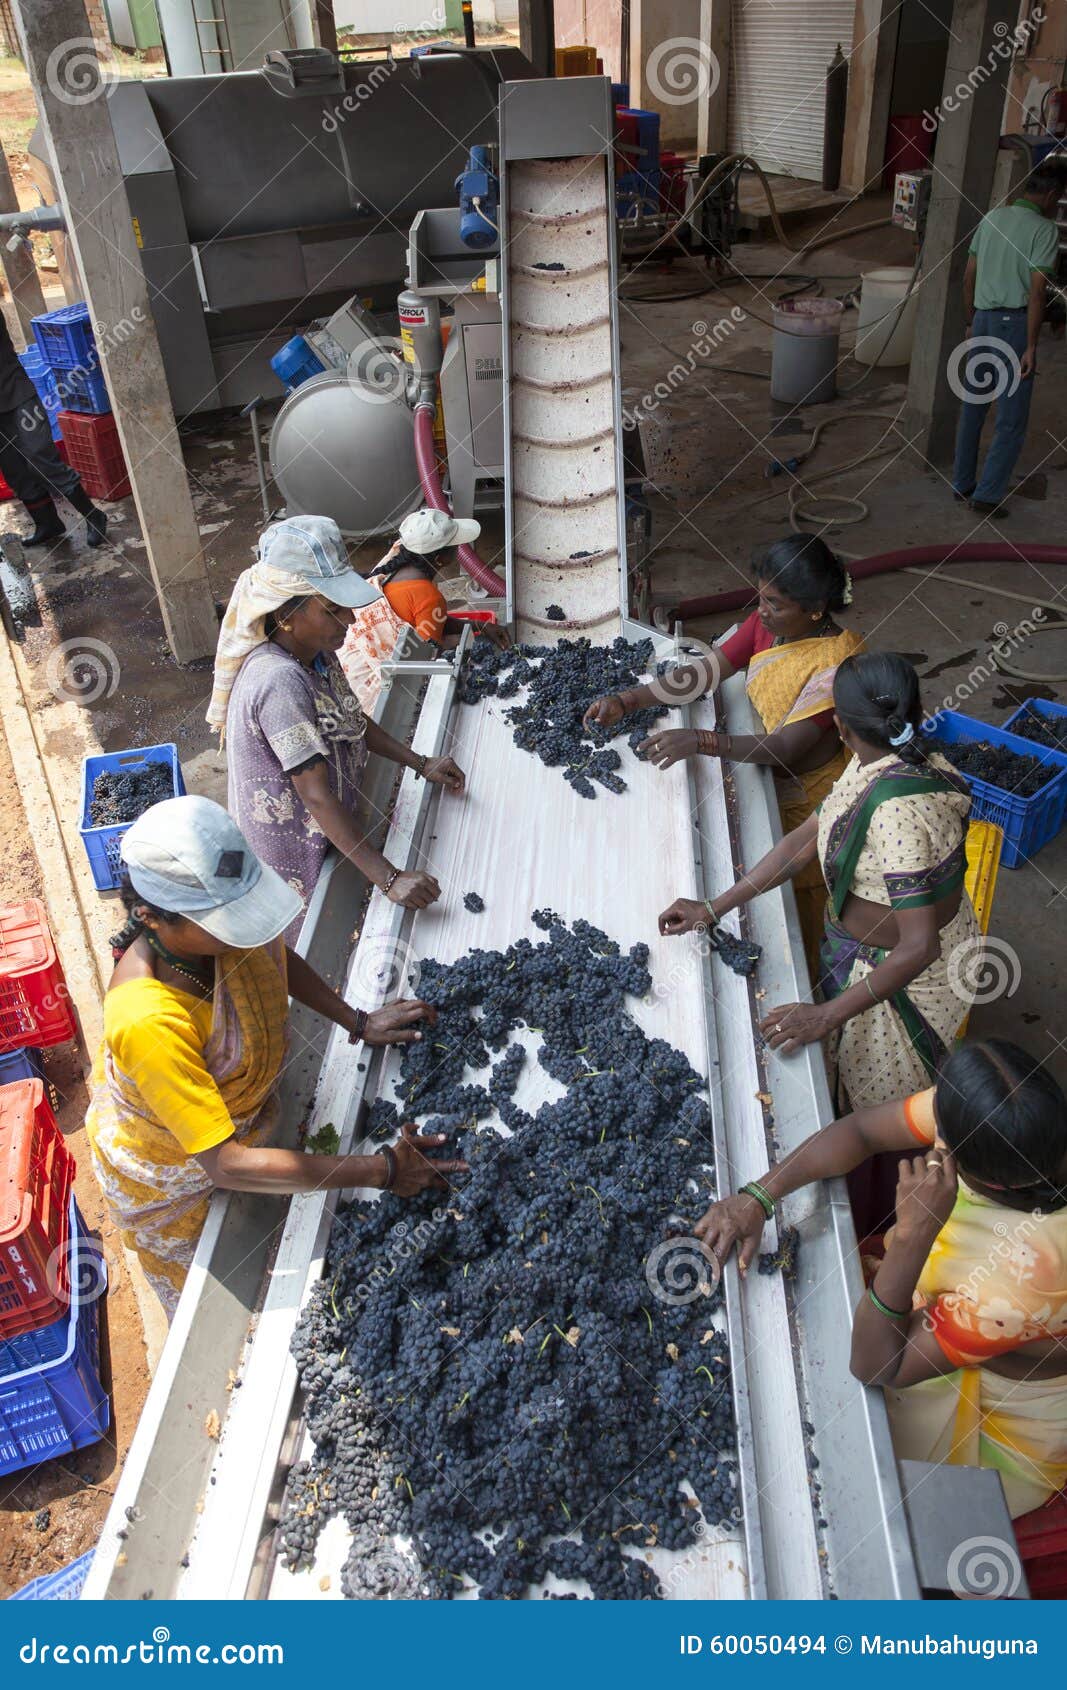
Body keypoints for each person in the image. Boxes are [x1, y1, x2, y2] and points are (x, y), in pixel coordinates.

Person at [86, 797, 467, 1318]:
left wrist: (358, 1021)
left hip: (244, 1127)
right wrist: (383, 1169)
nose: (241, 929)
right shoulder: (146, 1019)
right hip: (181, 1183)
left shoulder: (214, 940)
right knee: (219, 1304)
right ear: (151, 917)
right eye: (224, 921)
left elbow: (272, 959)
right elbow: (225, 1165)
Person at [694, 1040, 1067, 1518]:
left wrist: (913, 1235)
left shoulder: (1028, 1276)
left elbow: (876, 1367)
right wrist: (758, 1198)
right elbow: (863, 1131)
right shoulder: (1001, 1127)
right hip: (953, 1333)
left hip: (998, 1428)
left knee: (838, 1469)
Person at [659, 653, 979, 1111]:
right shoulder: (878, 763)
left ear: (841, 727)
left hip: (907, 981)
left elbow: (919, 946)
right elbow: (802, 843)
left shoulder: (894, 811)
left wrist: (824, 1016)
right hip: (882, 956)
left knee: (887, 1114)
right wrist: (713, 908)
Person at [585, 537, 864, 971]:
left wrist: (702, 741)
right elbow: (706, 671)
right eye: (760, 597)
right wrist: (629, 700)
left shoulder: (836, 666)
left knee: (804, 911)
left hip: (809, 797)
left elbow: (785, 747)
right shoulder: (769, 627)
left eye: (774, 603)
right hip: (775, 780)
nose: (763, 611)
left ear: (815, 609)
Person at [208, 516, 465, 942]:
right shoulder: (278, 681)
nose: (348, 619)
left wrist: (422, 763)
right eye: (332, 609)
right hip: (297, 851)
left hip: (330, 830)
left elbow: (351, 720)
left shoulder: (316, 655)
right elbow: (314, 794)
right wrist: (388, 878)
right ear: (287, 616)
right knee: (315, 936)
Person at [952, 162, 1066, 517]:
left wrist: (971, 321)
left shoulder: (992, 219)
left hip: (983, 319)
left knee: (973, 407)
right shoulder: (1044, 230)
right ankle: (986, 497)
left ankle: (962, 483)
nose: (1058, 202)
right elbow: (1036, 295)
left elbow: (968, 277)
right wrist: (1031, 346)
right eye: (1059, 196)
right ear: (1050, 195)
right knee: (1011, 419)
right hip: (1014, 324)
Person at [0, 312, 107, 547]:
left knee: (39, 456)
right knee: (13, 469)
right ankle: (47, 523)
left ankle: (93, 515)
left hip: (17, 395)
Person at [372, 508, 509, 648]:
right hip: (386, 665)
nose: (458, 548)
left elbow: (432, 620)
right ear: (440, 559)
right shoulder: (428, 596)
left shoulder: (392, 570)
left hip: (367, 654)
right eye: (456, 545)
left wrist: (481, 626)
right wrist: (464, 642)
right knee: (480, 645)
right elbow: (426, 652)